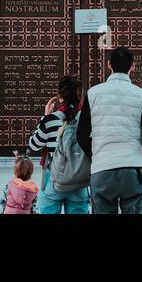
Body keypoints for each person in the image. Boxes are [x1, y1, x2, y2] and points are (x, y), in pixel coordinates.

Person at [76, 46, 142, 214]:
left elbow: (82, 135)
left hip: (102, 168)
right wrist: (136, 155)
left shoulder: (93, 93)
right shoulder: (141, 95)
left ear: (108, 64)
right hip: (133, 169)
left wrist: (97, 153)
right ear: (133, 66)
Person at [26, 75, 90, 214]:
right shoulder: (87, 120)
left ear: (60, 96)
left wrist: (44, 117)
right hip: (79, 179)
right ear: (80, 96)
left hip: (54, 179)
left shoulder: (50, 120)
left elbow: (33, 145)